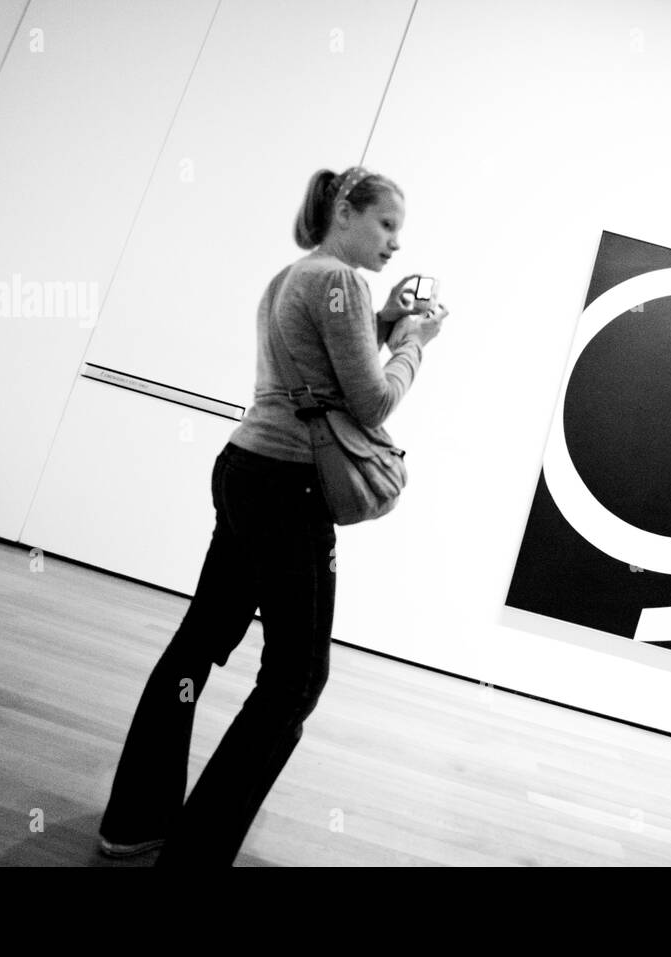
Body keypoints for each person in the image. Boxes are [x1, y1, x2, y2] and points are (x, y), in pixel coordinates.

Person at [96, 165, 447, 866]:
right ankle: (195, 853)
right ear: (345, 210)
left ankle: (135, 818)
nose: (396, 244)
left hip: (245, 470)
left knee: (200, 641)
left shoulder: (291, 278)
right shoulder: (343, 282)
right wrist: (414, 343)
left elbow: (320, 372)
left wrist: (381, 326)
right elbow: (372, 403)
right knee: (295, 678)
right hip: (290, 490)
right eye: (386, 224)